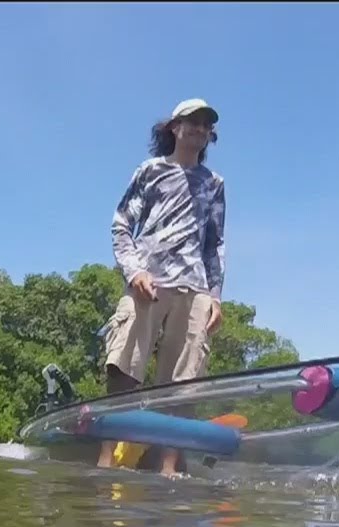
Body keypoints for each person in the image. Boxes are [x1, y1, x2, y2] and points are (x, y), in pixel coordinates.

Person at [97, 98, 227, 477]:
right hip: (148, 280)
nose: (200, 129)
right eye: (193, 122)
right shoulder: (151, 171)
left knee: (184, 382)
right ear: (174, 127)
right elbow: (122, 224)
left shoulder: (214, 184)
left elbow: (215, 243)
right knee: (124, 366)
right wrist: (134, 271)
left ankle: (169, 470)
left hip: (195, 287)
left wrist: (215, 296)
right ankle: (106, 464)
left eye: (206, 124)